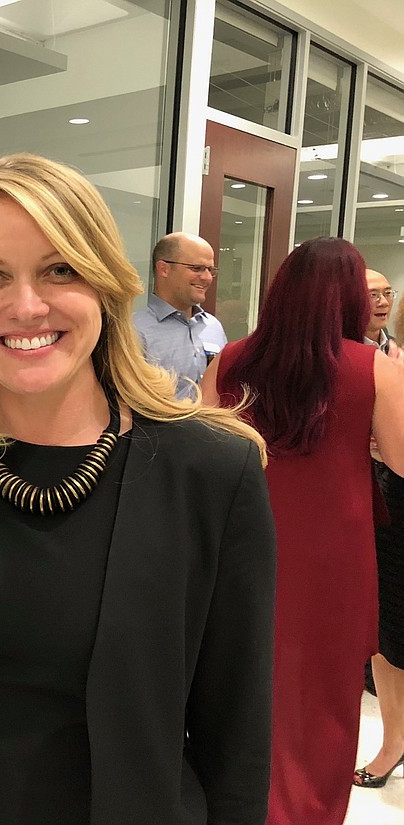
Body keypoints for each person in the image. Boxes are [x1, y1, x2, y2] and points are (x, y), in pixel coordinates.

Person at [0, 153, 276, 825]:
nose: (27, 305)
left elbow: (238, 733)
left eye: (60, 270)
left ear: (106, 287)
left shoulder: (210, 472)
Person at [202, 237, 404, 825]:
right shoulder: (372, 367)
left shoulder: (234, 358)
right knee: (323, 695)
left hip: (244, 541)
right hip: (334, 553)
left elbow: (201, 441)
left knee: (241, 681)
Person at [356, 272, 404, 790]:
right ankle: (393, 742)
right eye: (371, 292)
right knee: (388, 632)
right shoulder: (358, 357)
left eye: (387, 292)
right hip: (386, 503)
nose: (381, 301)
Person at [133, 232, 227, 399]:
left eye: (210, 270)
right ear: (164, 269)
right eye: (196, 268)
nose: (206, 278)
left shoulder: (213, 327)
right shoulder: (134, 331)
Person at [364, 268, 395, 351]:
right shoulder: (335, 353)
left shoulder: (399, 350)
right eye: (373, 295)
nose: (384, 303)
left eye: (388, 293)